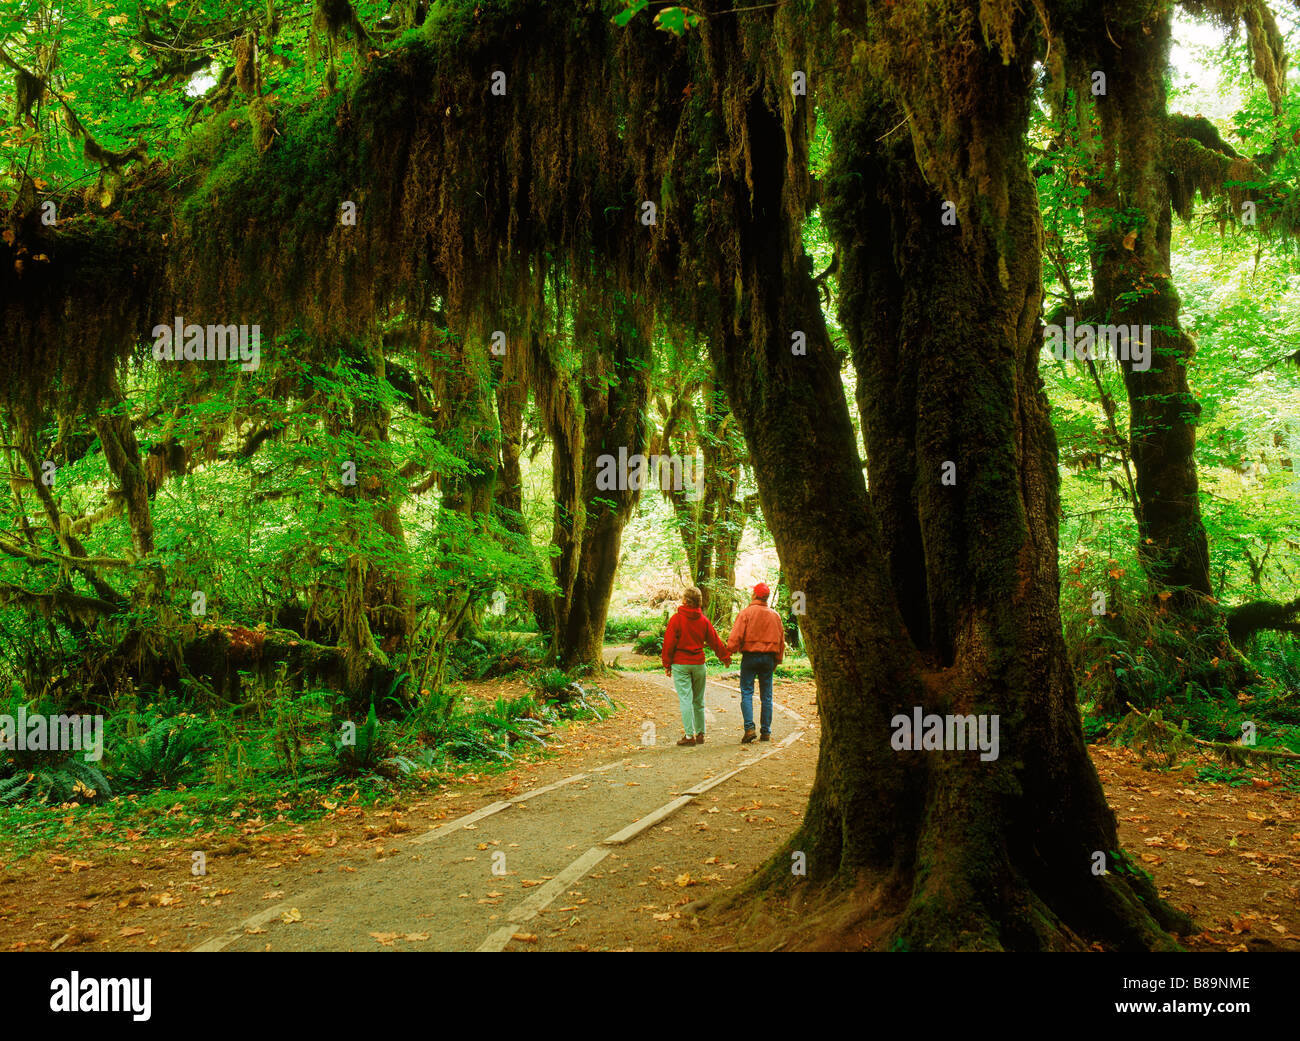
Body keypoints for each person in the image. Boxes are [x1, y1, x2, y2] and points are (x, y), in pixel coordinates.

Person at [661, 586, 731, 746]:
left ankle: (688, 735)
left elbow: (669, 643)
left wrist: (667, 663)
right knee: (698, 700)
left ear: (685, 601)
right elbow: (715, 641)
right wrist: (724, 657)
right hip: (699, 664)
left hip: (681, 664)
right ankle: (700, 734)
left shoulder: (676, 619)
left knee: (685, 699)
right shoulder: (704, 621)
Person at [726, 582, 784, 743]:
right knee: (767, 696)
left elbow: (736, 636)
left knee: (746, 692)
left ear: (754, 595)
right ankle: (766, 731)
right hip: (768, 659)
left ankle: (749, 728)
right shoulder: (775, 615)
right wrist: (778, 660)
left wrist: (728, 651)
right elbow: (781, 640)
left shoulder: (746, 613)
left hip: (750, 657)